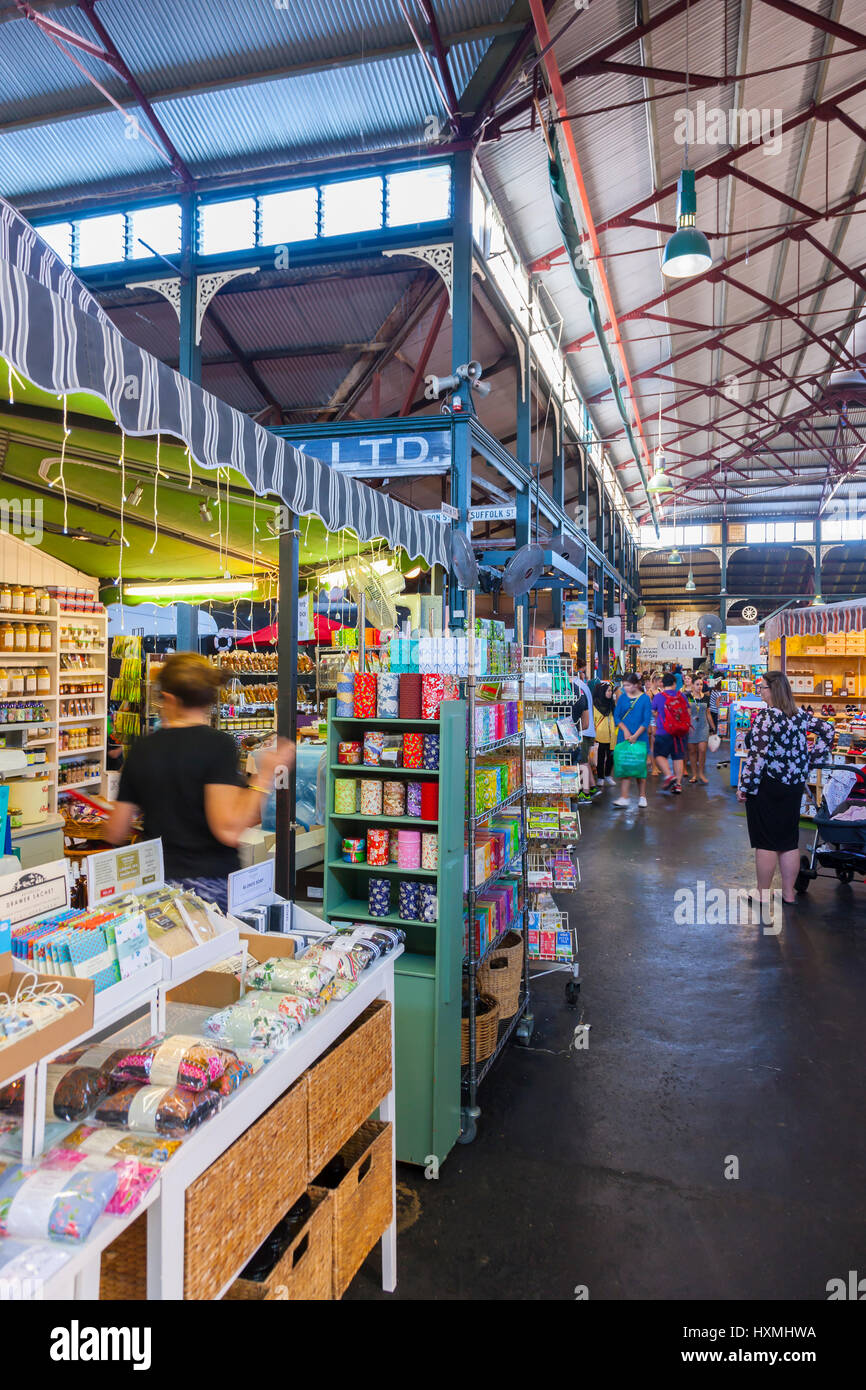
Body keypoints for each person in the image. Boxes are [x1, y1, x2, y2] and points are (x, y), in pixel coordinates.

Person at [106, 652, 294, 911]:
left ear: (169, 698)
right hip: (209, 889)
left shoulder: (142, 748)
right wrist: (264, 776)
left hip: (155, 888)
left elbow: (116, 830)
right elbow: (228, 830)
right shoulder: (218, 745)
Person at [737, 672, 833, 905]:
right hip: (794, 784)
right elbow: (828, 731)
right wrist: (810, 759)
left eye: (762, 687)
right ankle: (789, 893)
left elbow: (757, 756)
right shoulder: (800, 715)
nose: (760, 691)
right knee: (789, 840)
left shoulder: (766, 717)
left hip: (768, 785)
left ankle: (762, 893)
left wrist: (745, 786)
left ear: (773, 690)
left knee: (766, 841)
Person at [612, 672, 652, 809]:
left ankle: (642, 796)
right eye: (624, 685)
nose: (625, 688)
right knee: (625, 764)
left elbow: (646, 720)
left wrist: (635, 735)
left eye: (628, 685)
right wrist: (625, 730)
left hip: (640, 738)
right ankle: (624, 797)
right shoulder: (622, 698)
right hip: (624, 737)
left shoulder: (645, 699)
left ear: (636, 684)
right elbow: (616, 716)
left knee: (640, 767)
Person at [652, 672, 691, 793]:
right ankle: (678, 785)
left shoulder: (658, 696)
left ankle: (669, 775)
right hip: (680, 732)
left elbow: (653, 712)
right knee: (678, 757)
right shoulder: (682, 696)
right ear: (674, 684)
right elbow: (688, 712)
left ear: (663, 684)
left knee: (658, 755)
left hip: (663, 732)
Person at [571, 659, 600, 801]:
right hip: (588, 730)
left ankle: (585, 793)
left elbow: (584, 712)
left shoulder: (576, 687)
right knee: (585, 761)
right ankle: (592, 787)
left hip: (583, 730)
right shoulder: (583, 685)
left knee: (582, 762)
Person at [592, 679, 618, 787]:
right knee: (600, 757)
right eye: (607, 691)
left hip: (612, 735)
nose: (610, 693)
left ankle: (608, 775)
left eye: (611, 691)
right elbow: (593, 721)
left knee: (611, 757)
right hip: (600, 736)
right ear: (602, 692)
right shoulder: (595, 706)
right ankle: (600, 777)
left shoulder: (611, 704)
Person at [686, 676, 711, 784]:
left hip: (703, 726)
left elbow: (708, 713)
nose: (699, 687)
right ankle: (694, 774)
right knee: (692, 751)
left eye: (701, 684)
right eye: (697, 684)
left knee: (702, 750)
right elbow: (685, 712)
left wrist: (714, 728)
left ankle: (701, 773)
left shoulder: (706, 697)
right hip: (691, 727)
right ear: (692, 685)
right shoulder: (688, 697)